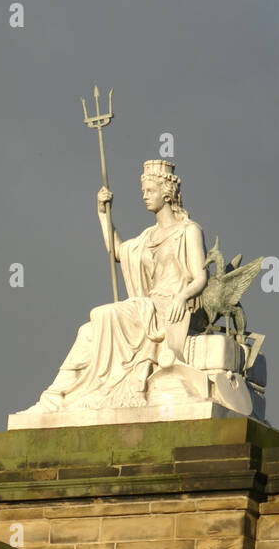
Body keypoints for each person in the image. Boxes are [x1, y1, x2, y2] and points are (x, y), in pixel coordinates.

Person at [24, 160, 208, 411]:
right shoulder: (147, 236)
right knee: (87, 332)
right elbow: (118, 251)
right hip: (146, 306)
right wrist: (102, 213)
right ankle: (55, 399)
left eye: (149, 191)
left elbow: (200, 277)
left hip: (168, 307)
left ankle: (109, 386)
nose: (144, 196)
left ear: (167, 193)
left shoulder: (189, 231)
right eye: (143, 191)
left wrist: (181, 297)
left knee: (103, 313)